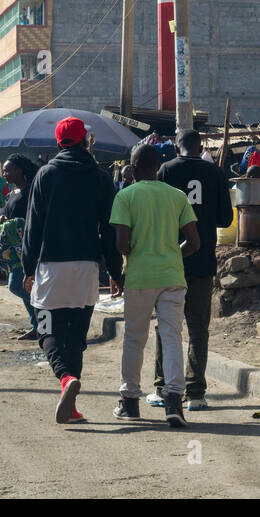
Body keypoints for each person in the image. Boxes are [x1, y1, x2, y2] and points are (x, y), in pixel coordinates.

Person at [21, 117, 122, 425]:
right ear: (86, 140)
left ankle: (65, 379)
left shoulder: (45, 174)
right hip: (87, 269)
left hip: (51, 268)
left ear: (58, 142)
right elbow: (109, 229)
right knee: (76, 336)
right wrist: (115, 271)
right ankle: (71, 405)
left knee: (48, 329)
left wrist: (27, 268)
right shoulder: (100, 177)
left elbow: (32, 227)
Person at [109, 142, 200, 428]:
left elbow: (122, 244)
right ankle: (174, 401)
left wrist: (138, 252)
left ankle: (130, 403)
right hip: (173, 277)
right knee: (172, 337)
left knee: (135, 338)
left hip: (139, 278)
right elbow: (194, 242)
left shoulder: (125, 196)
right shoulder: (176, 196)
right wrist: (172, 252)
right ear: (158, 168)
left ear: (133, 168)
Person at [147, 129, 232, 411]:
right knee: (198, 327)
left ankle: (162, 387)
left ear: (175, 145)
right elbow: (225, 218)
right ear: (201, 146)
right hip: (203, 259)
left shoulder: (165, 171)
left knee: (167, 325)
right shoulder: (215, 173)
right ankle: (195, 393)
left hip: (169, 261)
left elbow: (156, 214)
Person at [0, 153, 40, 340]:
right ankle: (37, 324)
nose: (4, 174)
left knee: (17, 285)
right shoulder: (10, 195)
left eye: (8, 170)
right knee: (20, 285)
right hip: (13, 248)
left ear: (19, 170)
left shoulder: (32, 191)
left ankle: (41, 321)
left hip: (29, 246)